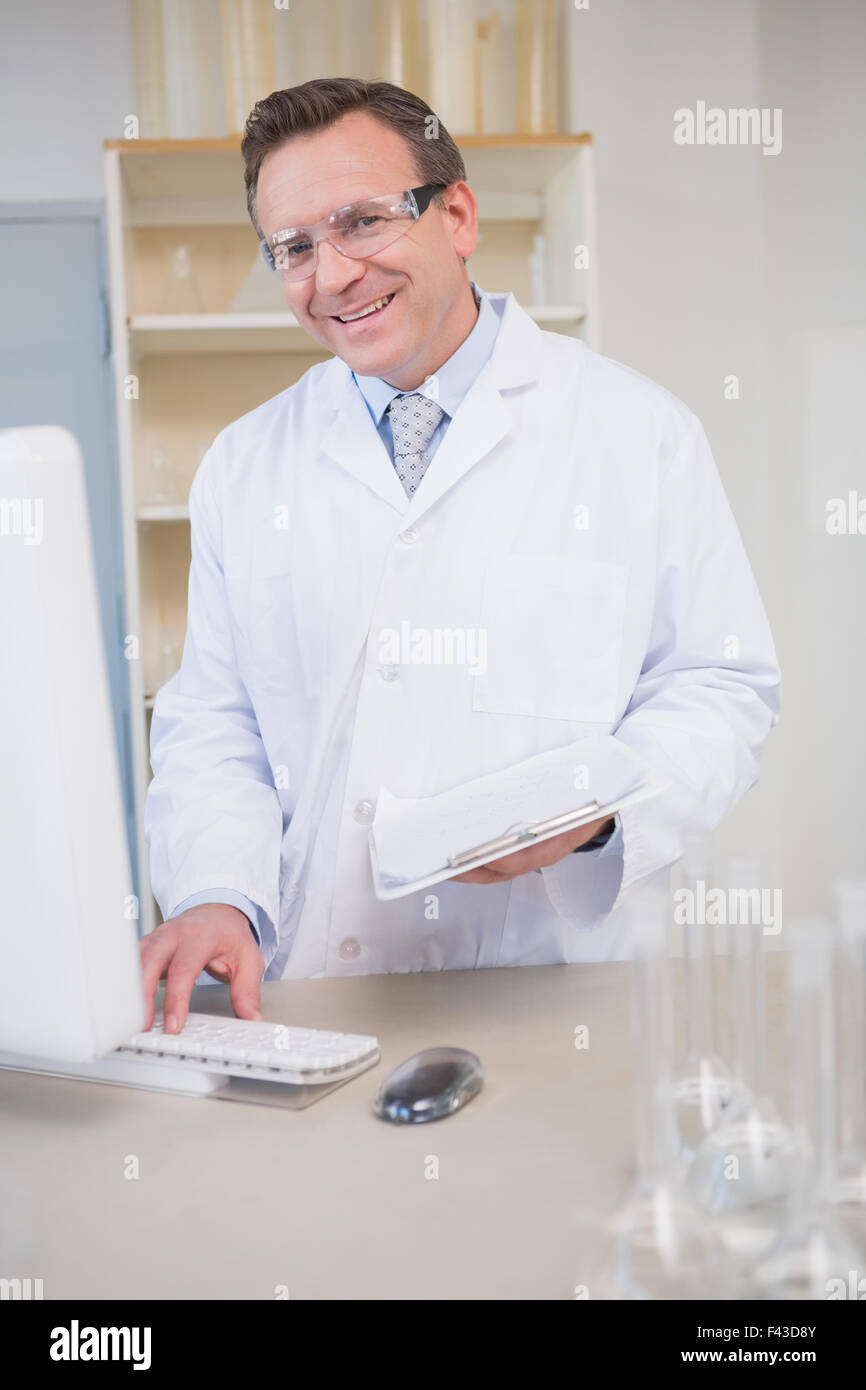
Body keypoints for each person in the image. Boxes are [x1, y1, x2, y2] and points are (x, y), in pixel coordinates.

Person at [141, 78, 780, 1033]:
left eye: (361, 222)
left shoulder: (636, 433)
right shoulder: (245, 464)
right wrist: (217, 894)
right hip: (307, 988)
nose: (333, 275)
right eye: (296, 247)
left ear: (459, 215)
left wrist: (594, 810)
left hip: (548, 994)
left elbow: (720, 686)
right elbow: (215, 724)